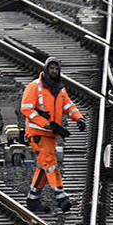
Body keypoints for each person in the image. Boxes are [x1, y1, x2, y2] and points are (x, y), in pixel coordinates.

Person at [19, 57, 84, 212]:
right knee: (50, 161)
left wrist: (79, 118)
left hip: (51, 134)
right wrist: (46, 123)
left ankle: (33, 199)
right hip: (37, 133)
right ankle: (60, 195)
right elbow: (26, 109)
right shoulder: (34, 86)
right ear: (46, 69)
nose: (54, 71)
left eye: (56, 69)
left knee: (43, 166)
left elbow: (68, 105)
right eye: (51, 69)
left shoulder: (59, 88)